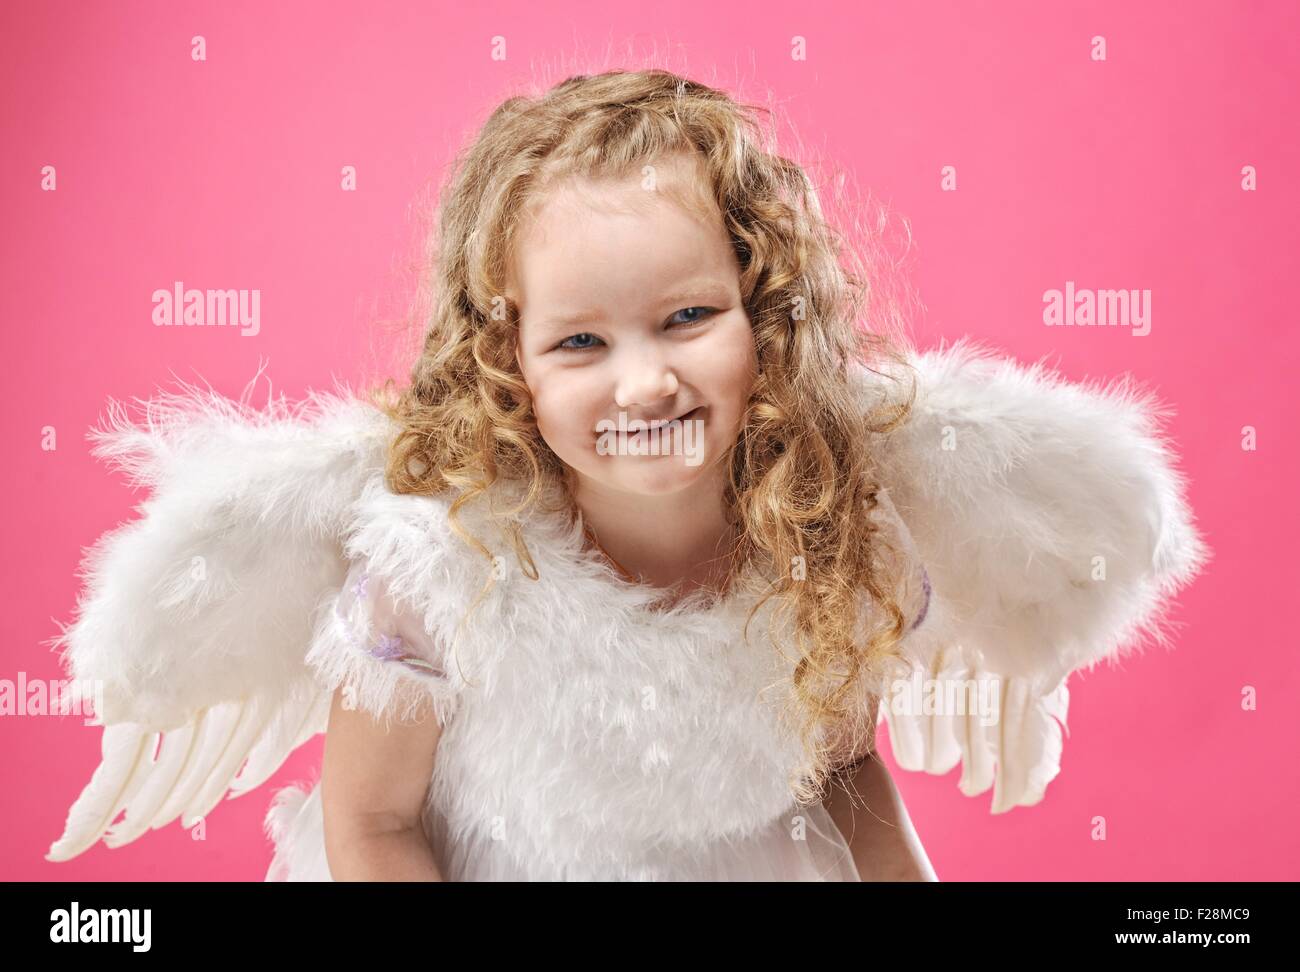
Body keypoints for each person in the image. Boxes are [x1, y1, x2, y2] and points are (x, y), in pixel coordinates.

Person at [45, 69, 1208, 881]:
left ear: (768, 318)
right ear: (511, 366)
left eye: (689, 317)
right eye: (580, 343)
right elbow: (373, 818)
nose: (643, 384)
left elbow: (842, 773)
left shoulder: (836, 540)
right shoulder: (439, 570)